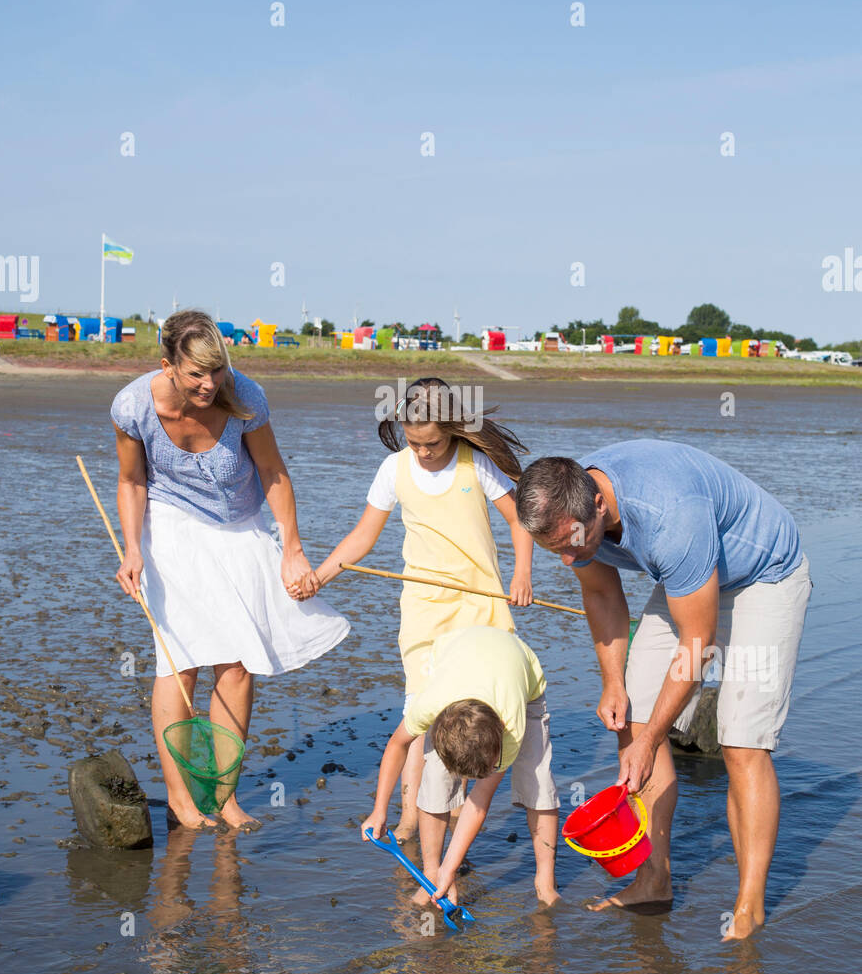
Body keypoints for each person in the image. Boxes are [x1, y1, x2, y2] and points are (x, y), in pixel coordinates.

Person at [515, 442, 811, 940]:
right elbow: (602, 592)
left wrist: (656, 737)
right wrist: (614, 685)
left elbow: (699, 646)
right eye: (554, 550)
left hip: (765, 578)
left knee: (741, 743)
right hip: (687, 579)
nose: (566, 559)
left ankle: (748, 907)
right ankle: (654, 880)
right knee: (631, 717)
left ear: (600, 508)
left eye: (571, 545)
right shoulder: (572, 513)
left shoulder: (669, 516)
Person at [110, 309, 349, 831]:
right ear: (168, 365)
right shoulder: (133, 406)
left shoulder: (245, 398)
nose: (209, 383)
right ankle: (180, 797)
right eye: (196, 373)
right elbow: (132, 482)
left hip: (240, 523)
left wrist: (292, 548)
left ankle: (223, 796)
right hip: (170, 525)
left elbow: (272, 470)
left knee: (238, 661)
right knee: (183, 660)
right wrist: (132, 550)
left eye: (216, 370)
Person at [294, 377, 534, 839]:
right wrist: (319, 577)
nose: (424, 452)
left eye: (433, 443)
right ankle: (410, 817)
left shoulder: (476, 464)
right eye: (414, 442)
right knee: (422, 714)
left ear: (452, 430)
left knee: (470, 714)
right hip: (424, 610)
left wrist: (522, 573)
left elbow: (520, 519)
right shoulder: (394, 469)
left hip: (480, 605)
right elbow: (363, 536)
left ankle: (450, 808)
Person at [361, 625, 559, 907]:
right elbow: (397, 745)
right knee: (435, 778)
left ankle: (545, 882)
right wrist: (378, 810)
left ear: (500, 734)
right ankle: (430, 875)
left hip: (518, 669)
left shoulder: (512, 728)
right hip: (454, 652)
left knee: (536, 780)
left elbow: (479, 802)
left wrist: (450, 868)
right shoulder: (428, 704)